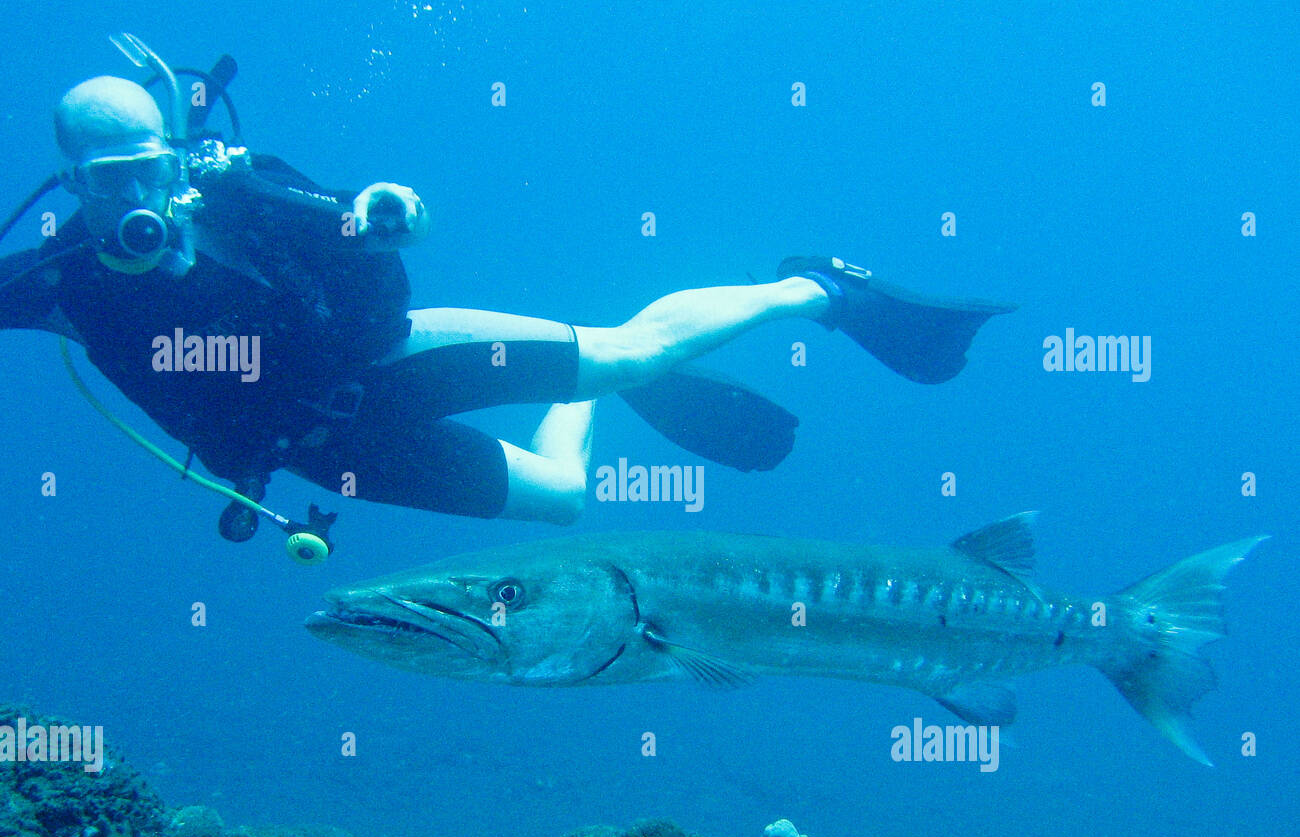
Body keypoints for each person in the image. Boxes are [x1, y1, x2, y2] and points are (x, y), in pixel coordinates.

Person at [0, 42, 1015, 546]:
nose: (127, 195)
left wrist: (387, 207)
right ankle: (585, 391)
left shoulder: (234, 195)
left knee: (627, 350)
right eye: (102, 178)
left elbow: (362, 220)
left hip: (388, 360)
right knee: (566, 501)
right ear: (70, 178)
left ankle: (813, 288)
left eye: (140, 166)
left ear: (169, 156)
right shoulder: (60, 281)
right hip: (315, 452)